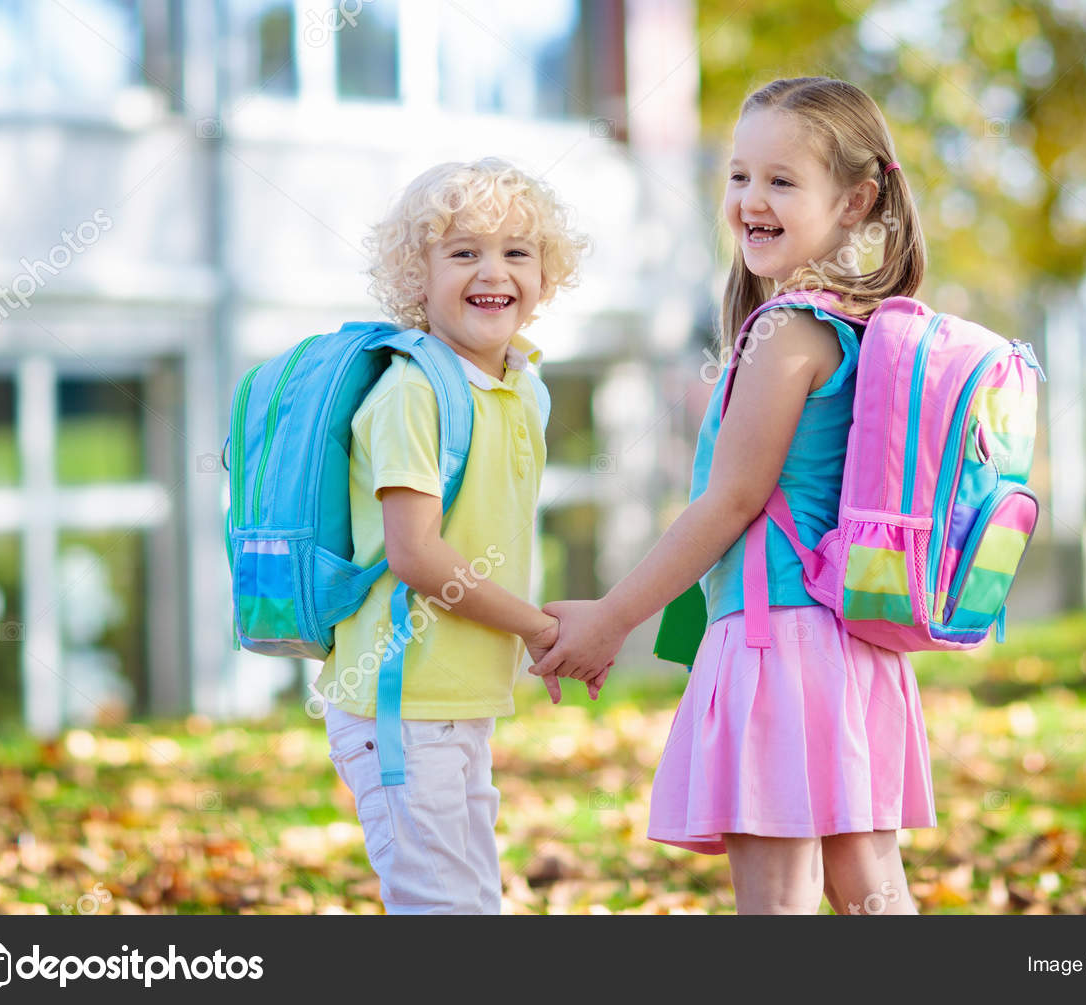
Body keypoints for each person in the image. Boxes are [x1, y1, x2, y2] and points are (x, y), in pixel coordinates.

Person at [533, 77, 935, 914]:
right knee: (872, 891)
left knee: (777, 903)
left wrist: (612, 617)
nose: (751, 199)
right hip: (848, 641)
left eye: (783, 180)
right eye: (740, 175)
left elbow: (730, 502)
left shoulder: (787, 330)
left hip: (776, 644)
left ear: (857, 201)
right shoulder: (858, 324)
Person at [316, 157, 593, 914]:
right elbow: (416, 554)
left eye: (516, 251)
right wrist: (538, 627)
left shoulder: (520, 385)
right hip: (400, 704)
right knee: (445, 909)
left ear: (545, 275)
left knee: (469, 904)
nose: (492, 270)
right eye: (463, 251)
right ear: (418, 275)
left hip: (459, 698)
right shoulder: (412, 391)